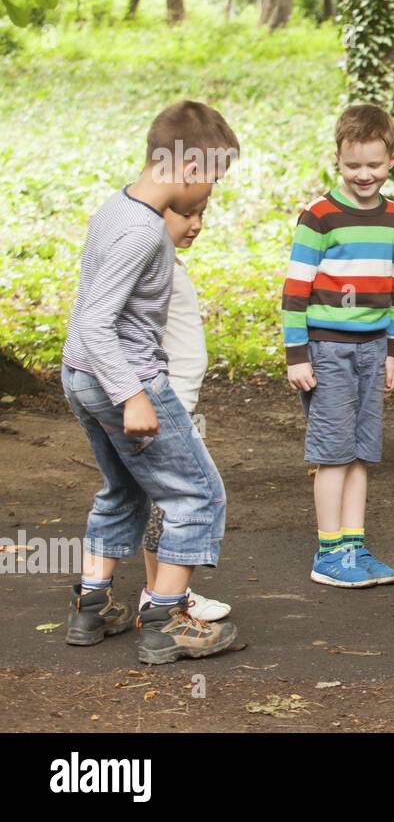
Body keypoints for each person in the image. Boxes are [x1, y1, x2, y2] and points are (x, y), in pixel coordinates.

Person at [62, 100, 240, 664]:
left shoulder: (114, 208)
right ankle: (165, 621)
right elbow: (95, 321)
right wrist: (132, 393)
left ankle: (91, 607)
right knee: (198, 493)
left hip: (80, 375)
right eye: (211, 183)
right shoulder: (143, 232)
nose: (208, 196)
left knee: (124, 489)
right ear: (190, 170)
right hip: (122, 378)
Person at [282, 104, 394, 588]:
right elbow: (295, 289)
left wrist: (392, 349)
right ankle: (328, 551)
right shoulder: (319, 216)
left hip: (373, 349)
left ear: (391, 160)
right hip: (327, 350)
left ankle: (353, 545)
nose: (364, 175)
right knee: (333, 453)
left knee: (360, 453)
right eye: (354, 165)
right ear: (338, 159)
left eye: (374, 165)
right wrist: (297, 354)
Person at [138, 200, 231, 622]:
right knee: (186, 502)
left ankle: (158, 591)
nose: (196, 225)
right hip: (167, 406)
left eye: (201, 215)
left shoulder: (166, 266)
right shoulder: (156, 271)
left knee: (163, 504)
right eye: (186, 215)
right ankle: (165, 599)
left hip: (174, 405)